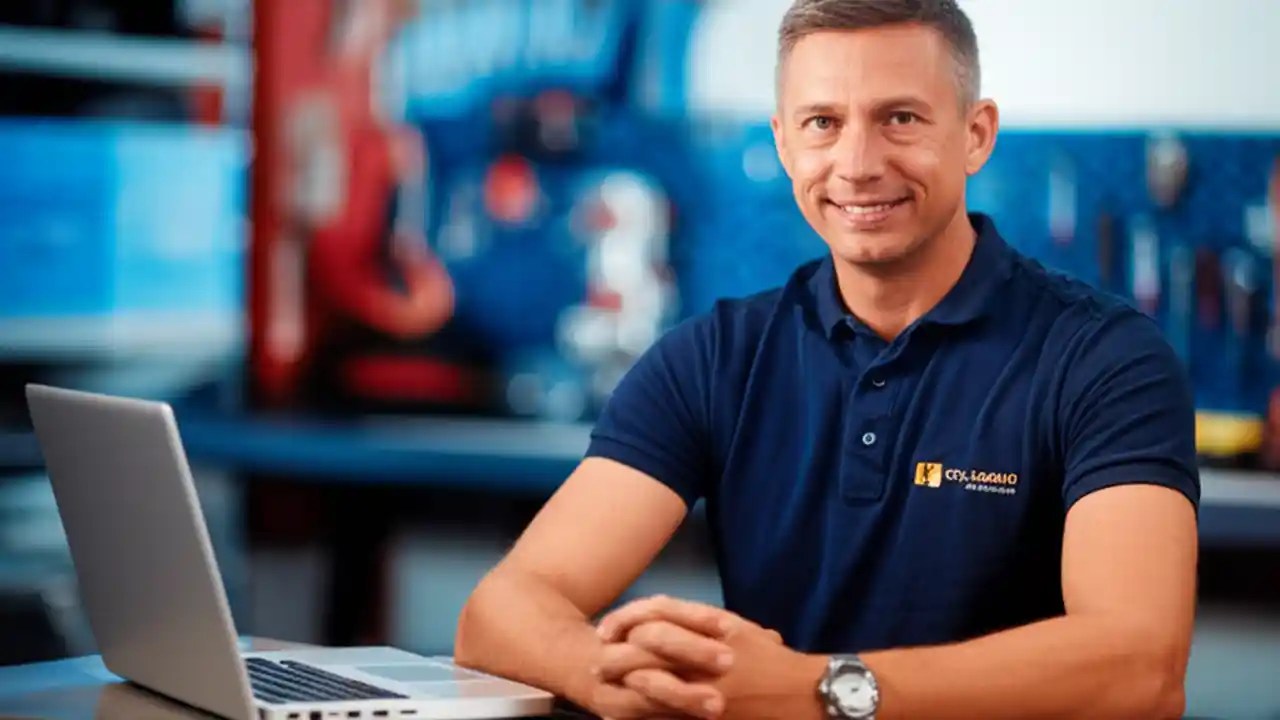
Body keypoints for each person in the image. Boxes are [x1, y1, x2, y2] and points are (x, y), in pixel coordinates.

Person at [455, 1, 1199, 718]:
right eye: (823, 123)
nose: (857, 164)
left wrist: (819, 692)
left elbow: (1139, 670)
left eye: (899, 119)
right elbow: (500, 615)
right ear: (784, 143)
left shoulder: (1107, 361)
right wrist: (612, 678)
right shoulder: (716, 359)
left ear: (976, 134)